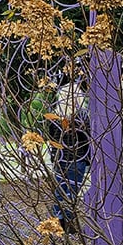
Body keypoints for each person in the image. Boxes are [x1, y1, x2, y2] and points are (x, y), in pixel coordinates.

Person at [47, 78, 90, 233]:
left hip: (60, 159)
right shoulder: (83, 117)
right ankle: (69, 223)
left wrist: (54, 157)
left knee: (60, 192)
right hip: (77, 158)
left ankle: (58, 222)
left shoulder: (55, 118)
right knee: (72, 192)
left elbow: (51, 139)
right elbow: (88, 138)